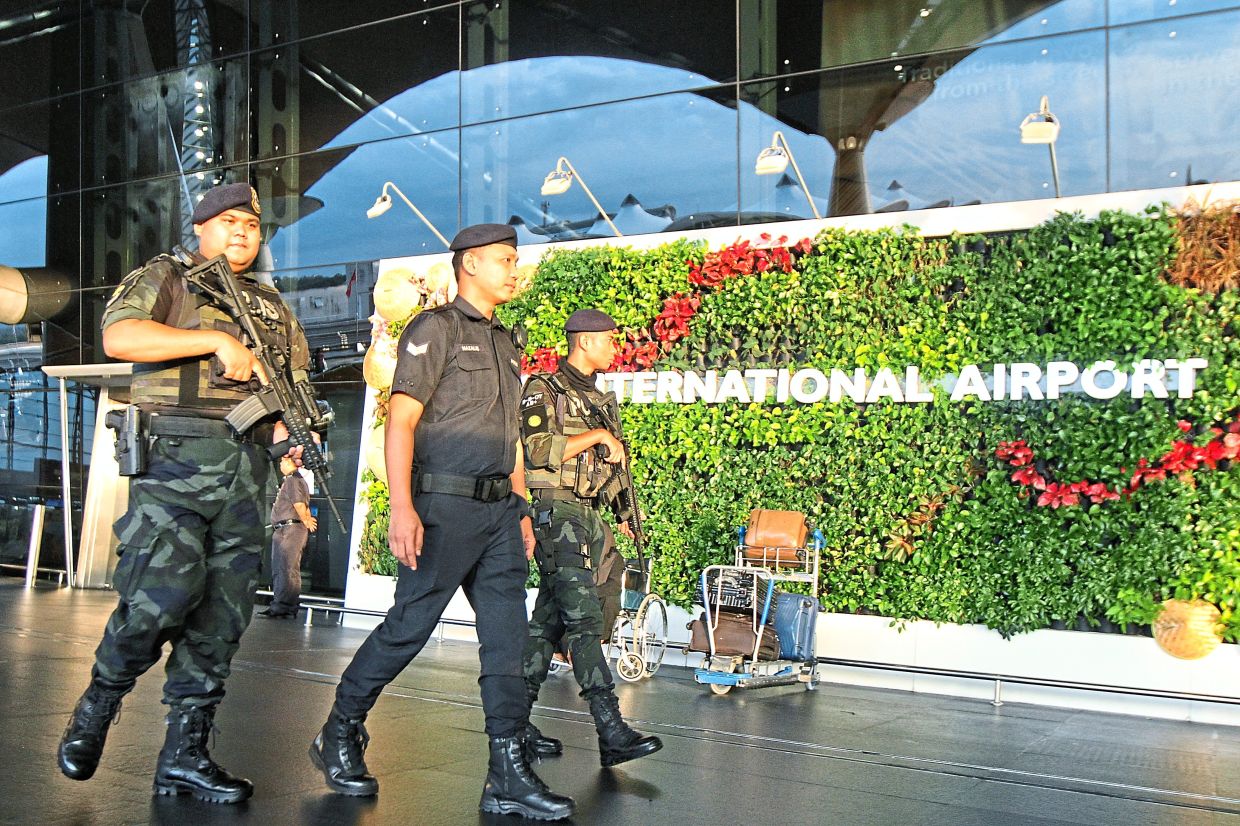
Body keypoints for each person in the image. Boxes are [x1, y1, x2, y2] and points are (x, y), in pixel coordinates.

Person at [56, 182, 313, 804]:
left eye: (252, 225)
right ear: (200, 228)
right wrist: (216, 340)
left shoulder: (272, 308)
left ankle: (185, 755)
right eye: (228, 222)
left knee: (221, 619)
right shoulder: (169, 278)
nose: (243, 233)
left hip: (247, 473)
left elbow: (290, 386)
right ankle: (100, 700)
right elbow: (120, 338)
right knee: (158, 600)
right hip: (175, 465)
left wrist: (290, 437)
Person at [308, 224, 574, 821]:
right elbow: (401, 421)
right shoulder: (435, 329)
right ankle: (339, 729)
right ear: (470, 264)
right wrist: (401, 507)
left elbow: (507, 439)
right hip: (443, 507)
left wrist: (521, 506)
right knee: (408, 627)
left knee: (508, 636)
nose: (514, 270)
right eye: (505, 260)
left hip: (500, 514)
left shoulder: (507, 341)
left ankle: (506, 772)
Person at [519, 309, 663, 768]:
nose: (614, 349)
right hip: (553, 509)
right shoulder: (544, 389)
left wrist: (625, 515)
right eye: (608, 341)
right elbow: (538, 451)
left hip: (587, 515)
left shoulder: (602, 400)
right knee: (582, 620)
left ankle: (514, 725)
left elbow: (613, 468)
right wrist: (598, 436)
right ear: (584, 342)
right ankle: (610, 728)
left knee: (546, 623)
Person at [259, 456, 318, 619]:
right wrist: (306, 518)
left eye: (281, 462)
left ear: (288, 462)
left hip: (289, 530)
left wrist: (306, 520)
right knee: (287, 568)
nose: (280, 465)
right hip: (288, 529)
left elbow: (299, 503)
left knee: (285, 568)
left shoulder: (293, 480)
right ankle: (285, 605)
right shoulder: (297, 480)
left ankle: (282, 606)